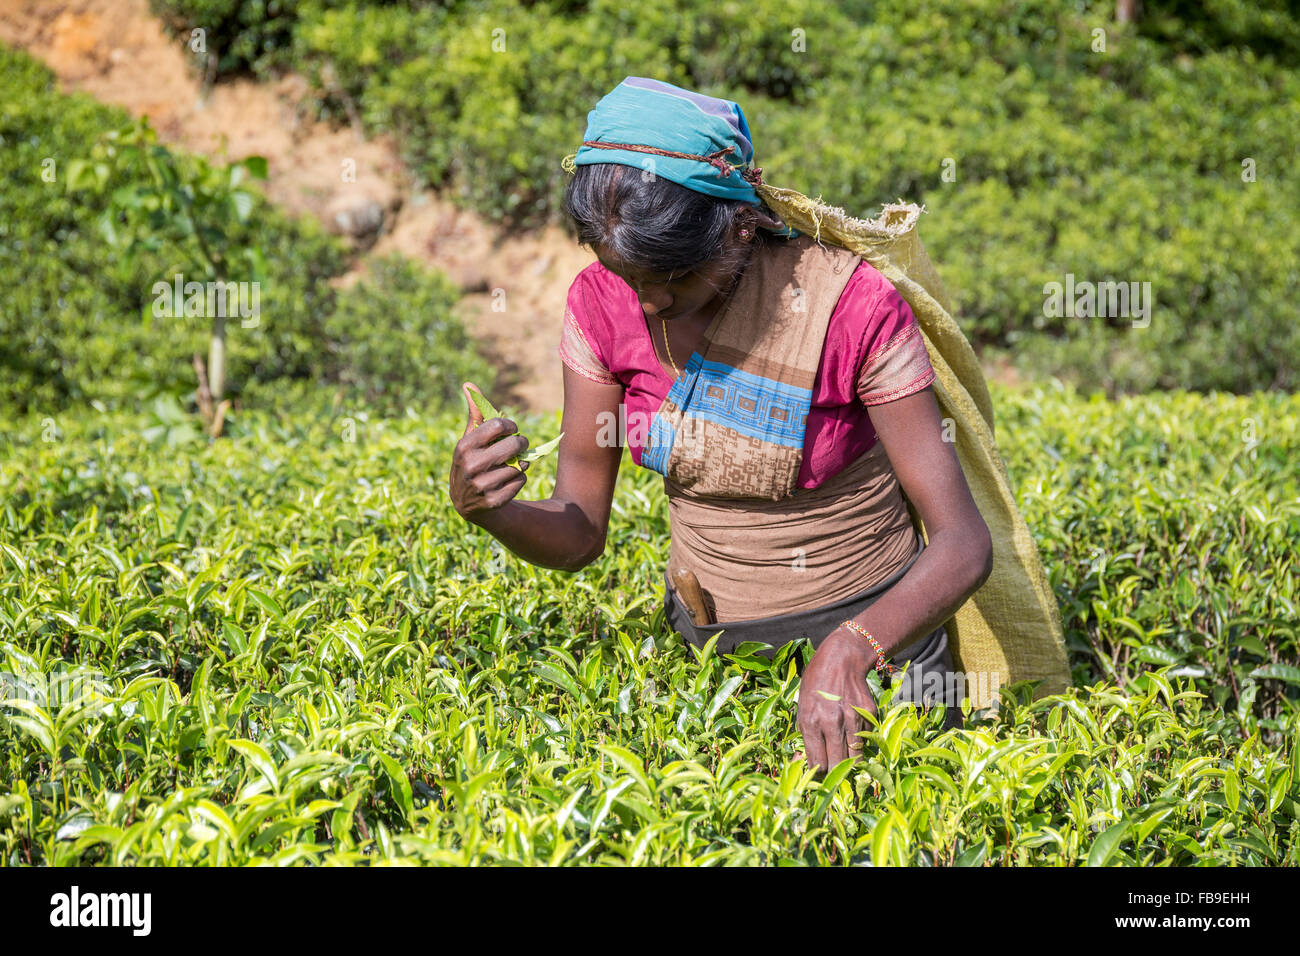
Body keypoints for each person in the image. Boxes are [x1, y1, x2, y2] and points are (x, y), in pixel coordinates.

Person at [449, 77, 993, 774]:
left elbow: (962, 542)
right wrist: (493, 511)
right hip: (710, 663)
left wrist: (855, 644)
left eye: (673, 275)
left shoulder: (847, 304)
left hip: (879, 657)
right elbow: (579, 531)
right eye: (626, 273)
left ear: (739, 228)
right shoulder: (600, 305)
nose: (649, 299)